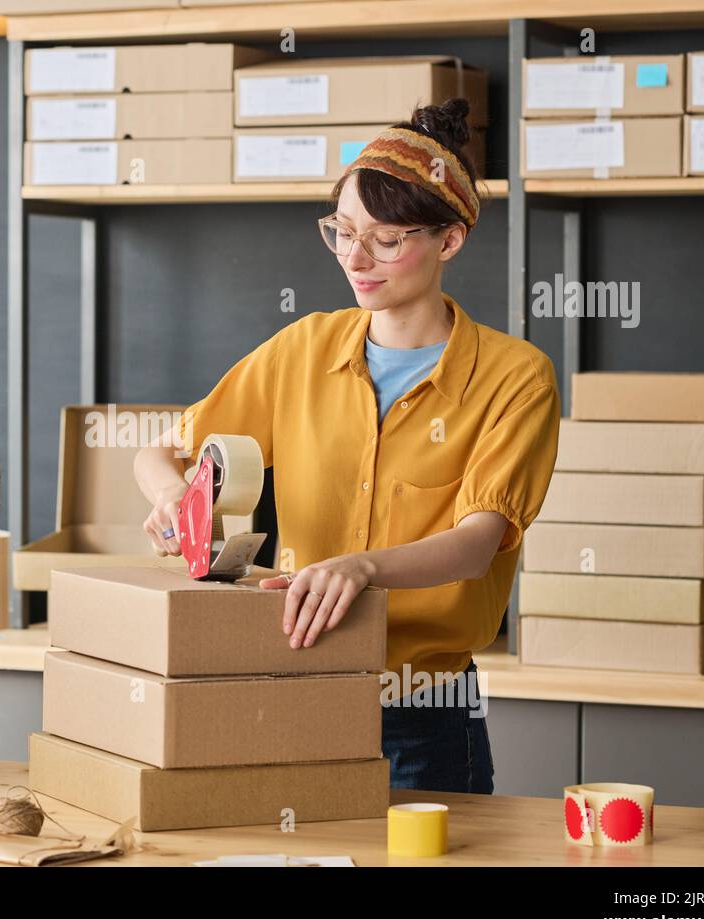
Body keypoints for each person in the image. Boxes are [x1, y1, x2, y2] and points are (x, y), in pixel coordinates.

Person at [134, 99, 560, 793]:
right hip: (293, 686)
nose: (355, 259)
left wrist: (362, 567)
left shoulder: (516, 379)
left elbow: (476, 543)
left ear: (450, 240)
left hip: (423, 709)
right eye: (341, 231)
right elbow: (159, 452)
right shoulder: (302, 349)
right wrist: (176, 496)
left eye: (386, 240)